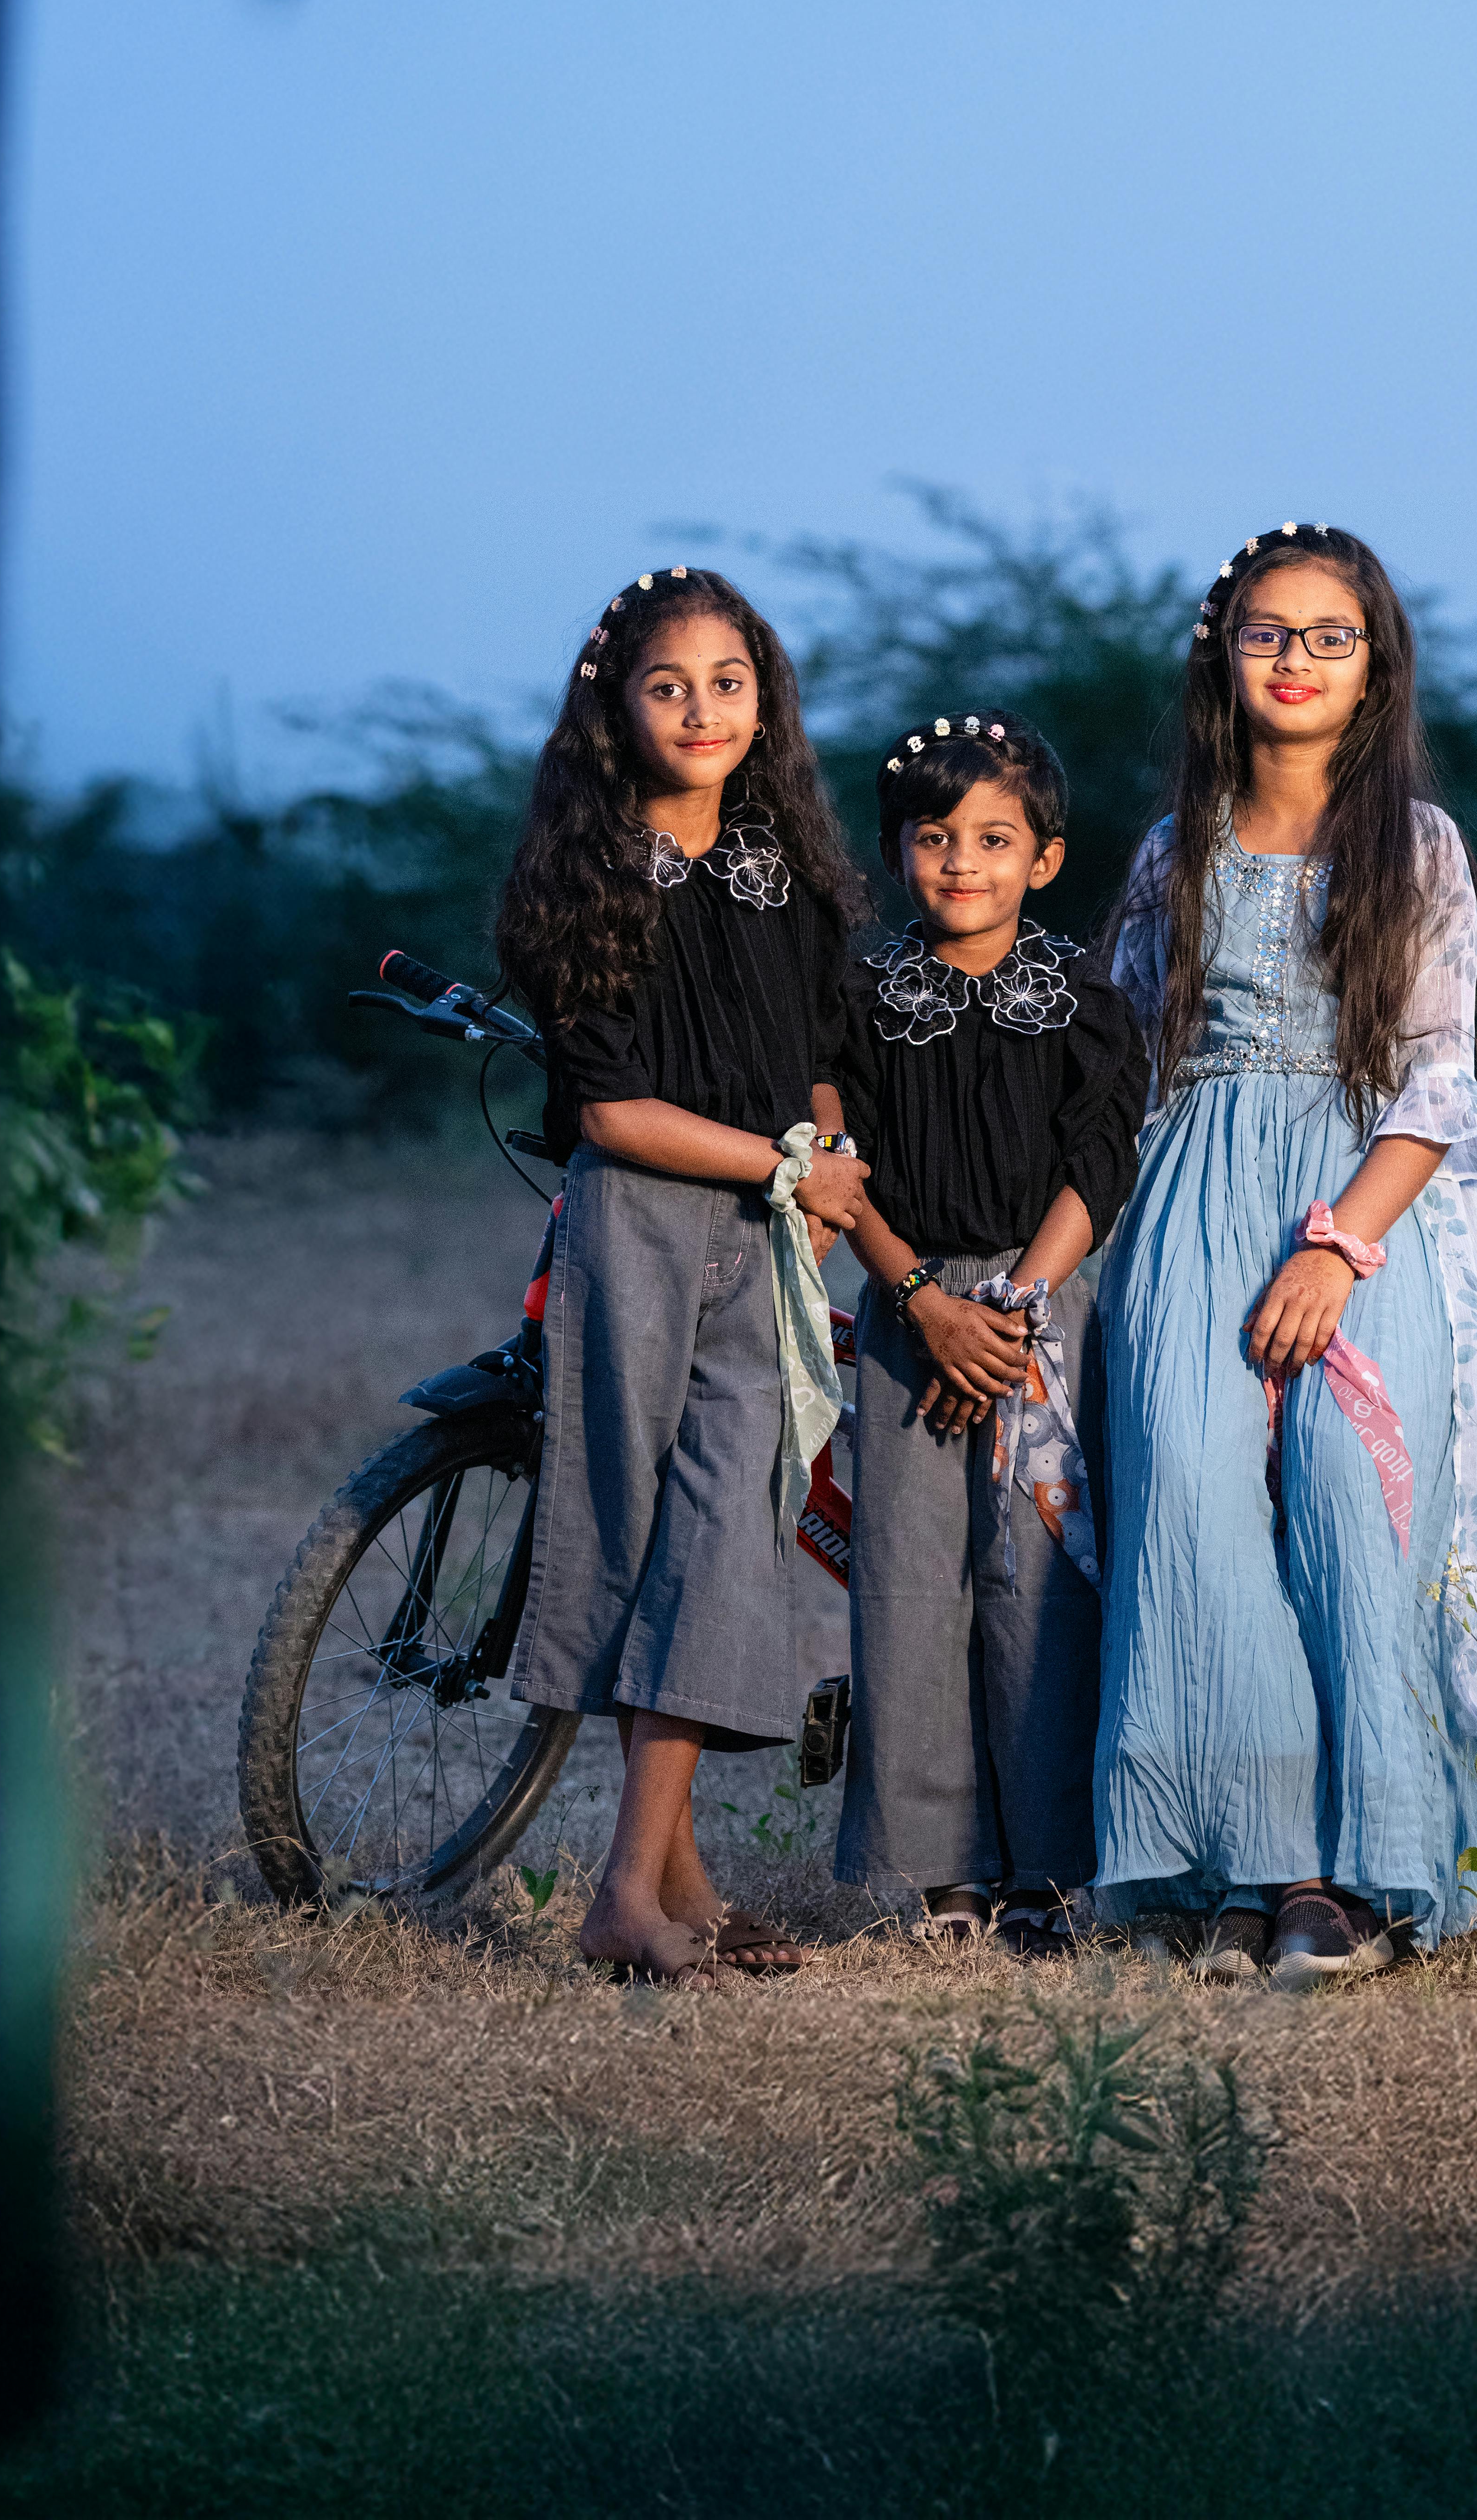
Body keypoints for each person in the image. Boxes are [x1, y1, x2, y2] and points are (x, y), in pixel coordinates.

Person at [1095, 523, 1477, 1990]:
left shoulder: (1418, 850)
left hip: (1370, 1198)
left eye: (1331, 636)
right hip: (1191, 1185)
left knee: (1337, 1481)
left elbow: (1440, 1085)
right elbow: (1123, 1064)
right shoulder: (1172, 856)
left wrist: (1337, 1249)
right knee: (1184, 1476)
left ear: (1376, 665)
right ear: (1222, 655)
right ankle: (1260, 1866)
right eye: (1266, 632)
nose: (1296, 661)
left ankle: (1371, 1870)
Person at [495, 566, 871, 1985]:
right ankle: (658, 1889)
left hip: (767, 1242)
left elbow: (822, 1055)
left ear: (763, 696)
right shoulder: (586, 881)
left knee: (725, 1537)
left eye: (728, 681)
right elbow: (609, 1113)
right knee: (635, 1530)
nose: (701, 709)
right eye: (668, 685)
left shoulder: (789, 878)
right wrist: (787, 1170)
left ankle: (641, 1890)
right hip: (640, 1230)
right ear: (616, 704)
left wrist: (825, 1165)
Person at [834, 714, 1147, 1956]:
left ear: (1046, 861)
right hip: (910, 1310)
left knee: (1037, 1587)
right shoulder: (858, 1000)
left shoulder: (1086, 1005)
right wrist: (924, 1300)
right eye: (934, 837)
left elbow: (1099, 1163)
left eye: (994, 839)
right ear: (901, 851)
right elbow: (841, 1167)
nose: (962, 861)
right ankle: (936, 1875)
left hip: (1039, 1315)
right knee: (909, 1583)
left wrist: (1009, 1315)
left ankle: (1051, 1871)